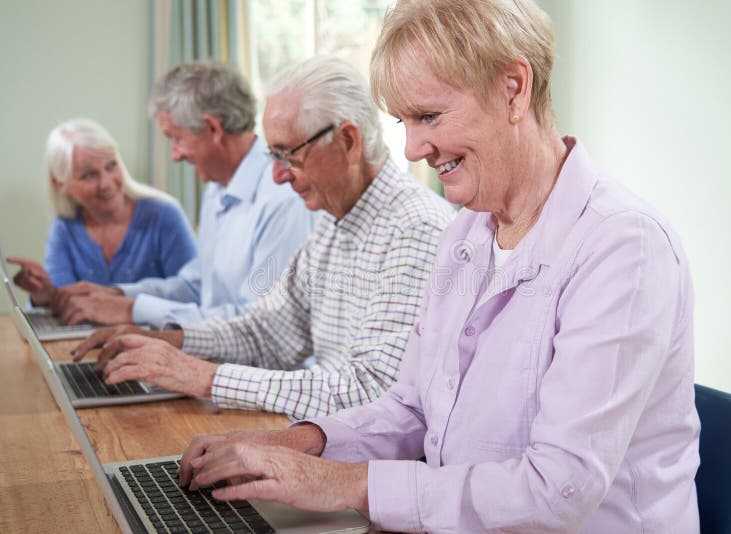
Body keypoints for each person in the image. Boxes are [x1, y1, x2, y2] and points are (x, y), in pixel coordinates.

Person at [173, 1, 702, 532]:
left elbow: (558, 488)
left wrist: (343, 483)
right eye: (404, 121)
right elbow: (411, 408)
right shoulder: (466, 234)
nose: (412, 147)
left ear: (514, 88)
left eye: (429, 116)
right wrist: (295, 442)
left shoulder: (623, 247)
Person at [73, 56, 455, 421]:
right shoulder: (334, 217)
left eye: (289, 156)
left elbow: (370, 391)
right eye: (273, 156)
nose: (277, 176)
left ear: (348, 142)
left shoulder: (415, 229)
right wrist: (170, 343)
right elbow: (269, 333)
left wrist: (202, 377)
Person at [53, 62, 316, 328]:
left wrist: (133, 311)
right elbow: (197, 285)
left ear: (213, 129)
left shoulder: (282, 199)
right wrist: (117, 295)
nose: (175, 155)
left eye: (176, 139)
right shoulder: (218, 188)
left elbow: (260, 324)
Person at [8, 118, 196, 317]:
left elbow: (195, 293)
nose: (106, 183)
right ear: (60, 184)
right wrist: (44, 296)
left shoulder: (164, 215)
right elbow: (63, 305)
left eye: (111, 166)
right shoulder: (65, 228)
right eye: (89, 175)